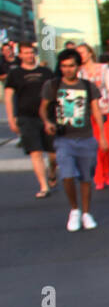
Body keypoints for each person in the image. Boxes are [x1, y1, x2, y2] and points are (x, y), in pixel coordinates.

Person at [40, 47, 106, 231]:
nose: (67, 69)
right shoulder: (52, 86)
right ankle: (74, 210)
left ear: (78, 66)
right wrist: (46, 122)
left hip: (85, 138)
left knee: (86, 178)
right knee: (67, 175)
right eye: (63, 66)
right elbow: (43, 108)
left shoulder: (87, 86)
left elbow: (96, 111)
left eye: (71, 66)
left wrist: (101, 137)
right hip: (63, 138)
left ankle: (86, 213)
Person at [5, 42, 58, 197]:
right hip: (26, 117)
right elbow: (9, 97)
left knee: (53, 154)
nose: (28, 56)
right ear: (20, 55)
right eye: (25, 53)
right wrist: (11, 118)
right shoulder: (15, 74)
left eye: (30, 52)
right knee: (35, 152)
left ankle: (52, 171)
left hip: (48, 116)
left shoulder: (45, 72)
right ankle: (44, 186)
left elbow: (56, 91)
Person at [77, 45, 109, 188]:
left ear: (90, 53)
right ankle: (99, 177)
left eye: (83, 52)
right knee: (96, 145)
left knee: (107, 145)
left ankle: (106, 171)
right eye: (78, 54)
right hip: (88, 112)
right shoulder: (79, 72)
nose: (81, 56)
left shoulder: (103, 69)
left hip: (104, 110)